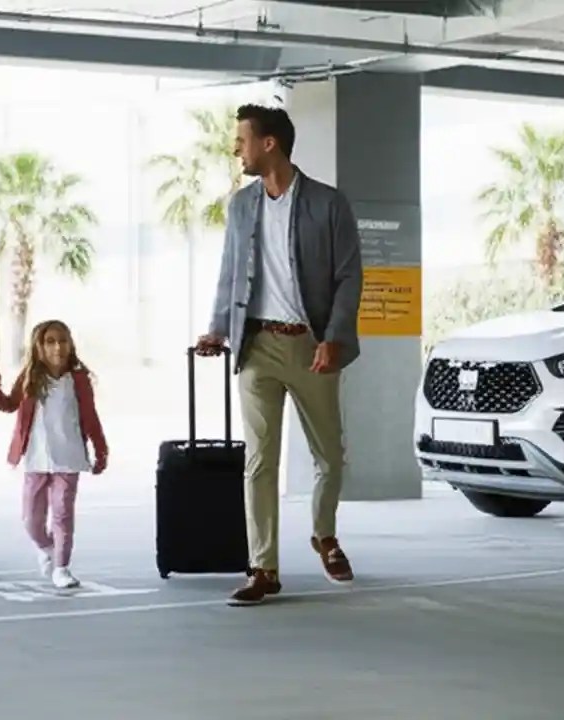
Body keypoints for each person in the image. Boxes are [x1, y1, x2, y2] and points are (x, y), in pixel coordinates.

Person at [196, 104, 364, 607]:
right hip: (257, 346)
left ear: (269, 143)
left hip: (312, 343)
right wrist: (218, 329)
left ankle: (323, 534)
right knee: (259, 460)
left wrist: (334, 336)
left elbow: (349, 276)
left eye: (242, 140)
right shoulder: (241, 205)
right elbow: (230, 270)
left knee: (330, 457)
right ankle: (263, 567)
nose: (236, 149)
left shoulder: (328, 204)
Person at [0, 319, 109, 590]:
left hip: (68, 457)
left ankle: (62, 567)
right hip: (36, 460)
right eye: (50, 341)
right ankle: (46, 547)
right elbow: (9, 404)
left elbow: (90, 418)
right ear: (39, 346)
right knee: (31, 519)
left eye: (62, 340)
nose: (57, 347)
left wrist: (101, 450)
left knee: (63, 514)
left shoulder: (78, 380)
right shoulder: (29, 377)